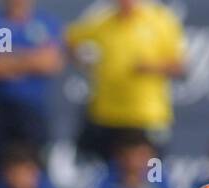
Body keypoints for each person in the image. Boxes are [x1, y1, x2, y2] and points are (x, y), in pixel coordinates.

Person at [65, 0, 185, 164]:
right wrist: (82, 60)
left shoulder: (159, 20)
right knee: (111, 173)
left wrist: (152, 67)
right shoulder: (101, 22)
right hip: (108, 115)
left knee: (153, 172)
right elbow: (70, 40)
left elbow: (179, 66)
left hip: (147, 115)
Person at [0, 0, 63, 181]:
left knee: (38, 170)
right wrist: (33, 59)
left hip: (34, 112)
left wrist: (15, 60)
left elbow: (51, 63)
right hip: (3, 110)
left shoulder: (44, 23)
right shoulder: (0, 26)